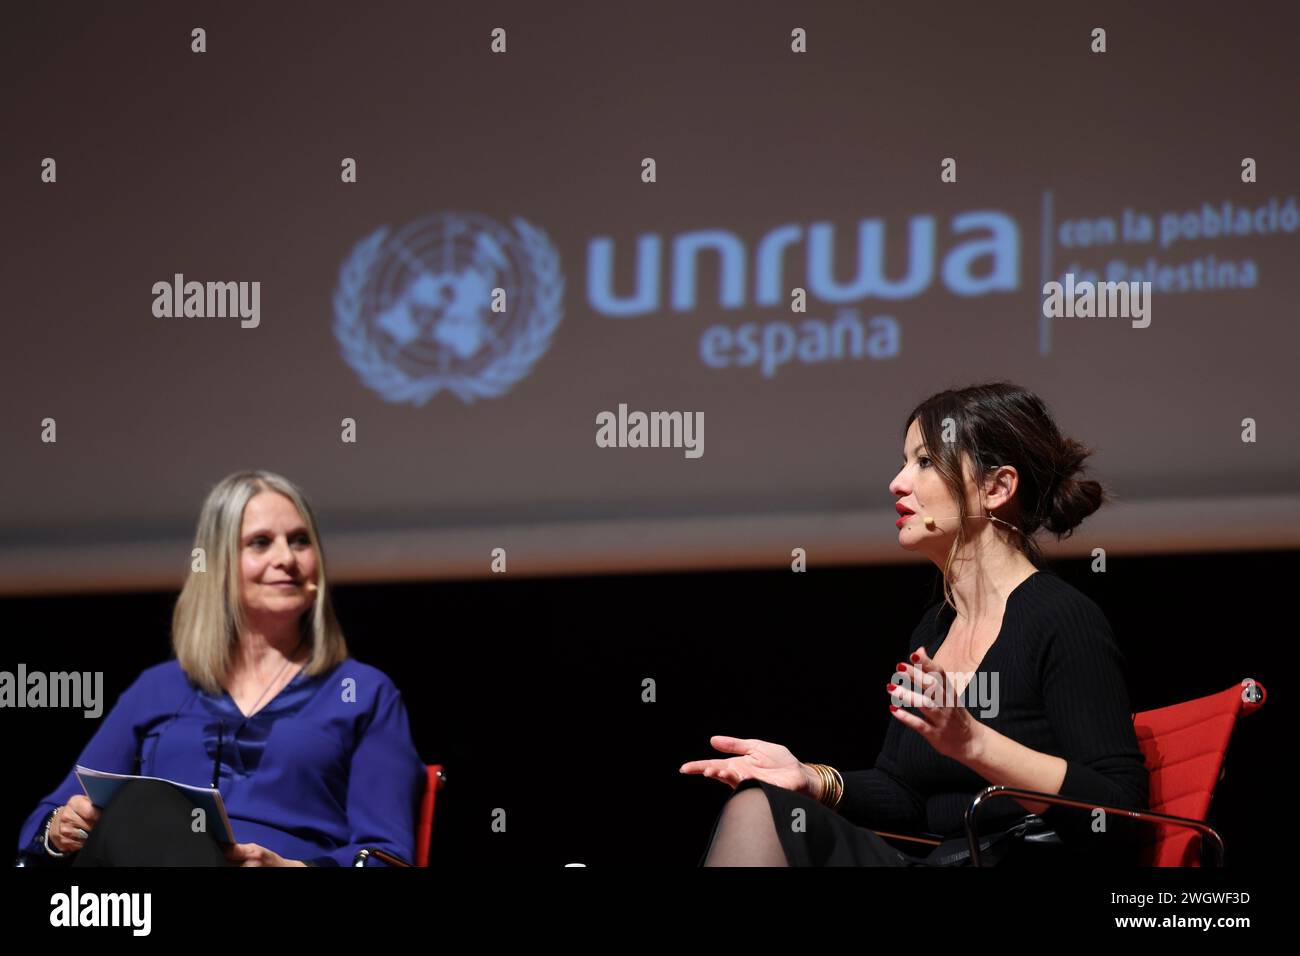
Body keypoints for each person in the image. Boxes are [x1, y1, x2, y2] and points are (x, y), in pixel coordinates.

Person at [681, 382, 1149, 866]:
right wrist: (811, 778)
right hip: (940, 860)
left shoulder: (1062, 618)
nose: (898, 483)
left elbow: (1120, 812)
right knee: (761, 806)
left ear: (996, 488)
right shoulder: (936, 628)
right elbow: (904, 792)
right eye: (906, 462)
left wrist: (975, 743)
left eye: (925, 462)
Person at [16, 470, 425, 867]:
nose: (286, 559)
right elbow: (45, 821)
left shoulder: (363, 692)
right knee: (146, 802)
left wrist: (292, 867)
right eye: (260, 543)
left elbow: (385, 856)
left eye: (300, 541)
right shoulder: (158, 687)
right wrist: (61, 827)